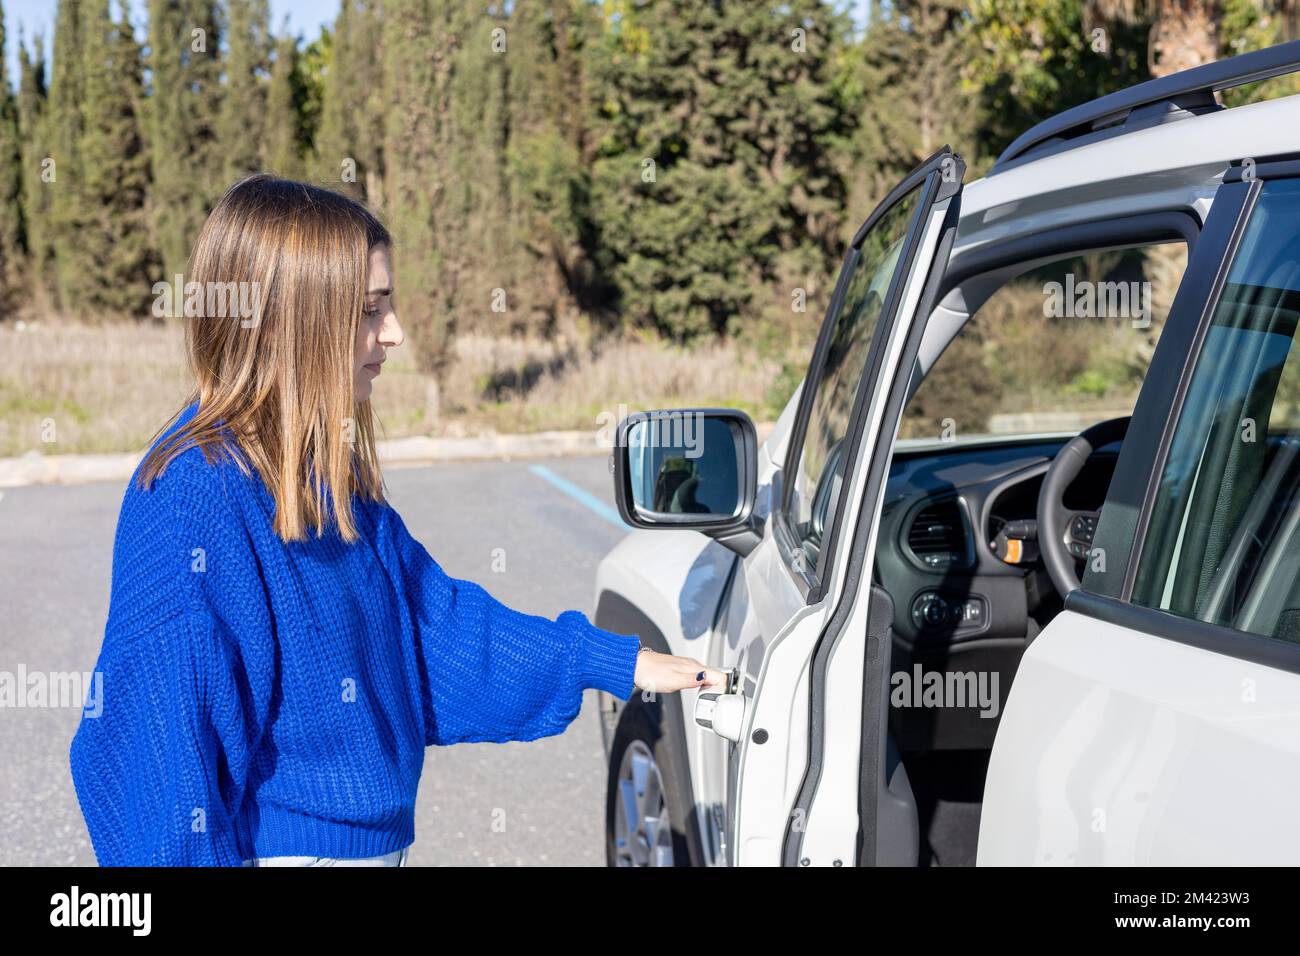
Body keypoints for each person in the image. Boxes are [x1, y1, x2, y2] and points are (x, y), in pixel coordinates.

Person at [68, 174, 727, 867]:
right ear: (292, 319)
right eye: (368, 310)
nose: (396, 333)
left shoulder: (324, 471)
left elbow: (430, 629)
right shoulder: (191, 495)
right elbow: (152, 755)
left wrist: (612, 659)